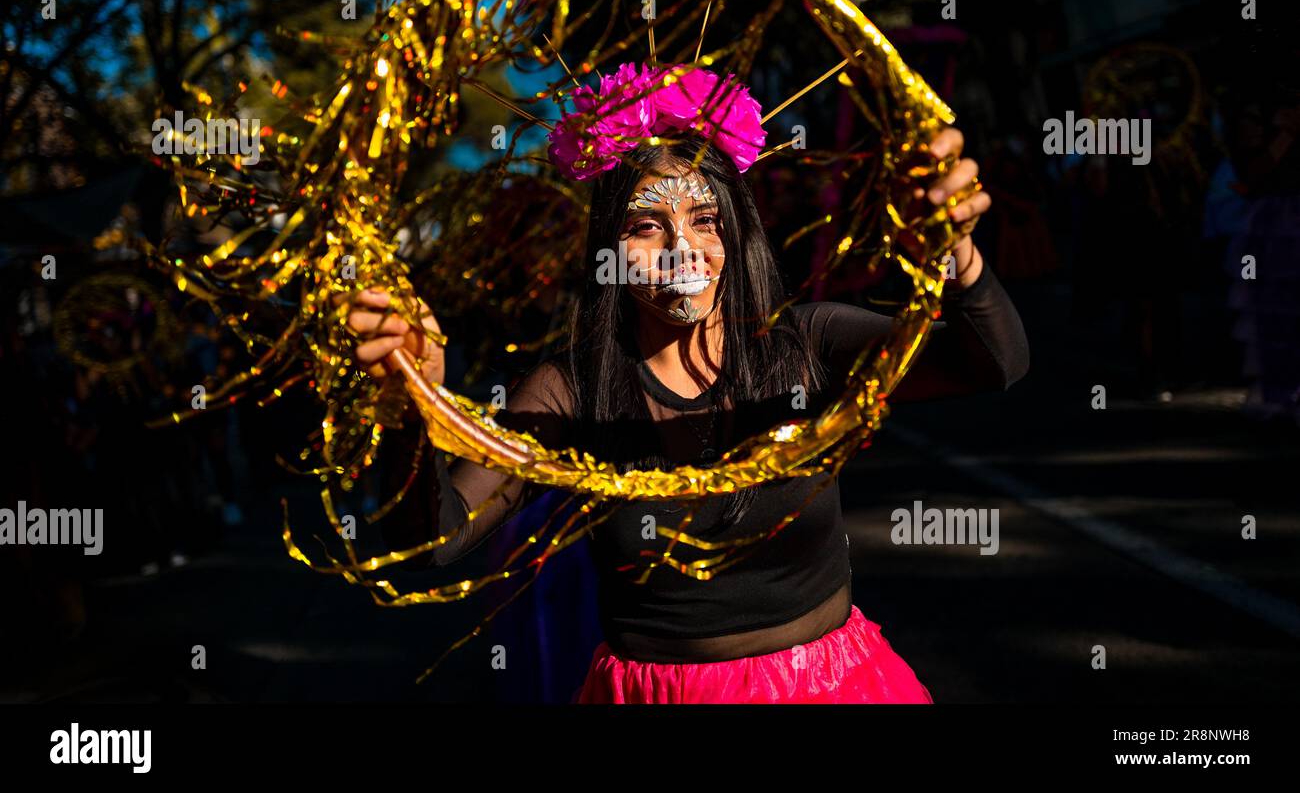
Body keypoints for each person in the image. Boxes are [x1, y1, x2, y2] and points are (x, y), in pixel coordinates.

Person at [343, 63, 1029, 703]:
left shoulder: (805, 344)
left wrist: (956, 249)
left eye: (704, 220)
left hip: (834, 683)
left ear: (735, 232)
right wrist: (407, 409)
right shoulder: (568, 392)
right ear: (608, 249)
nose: (682, 249)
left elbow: (994, 362)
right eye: (647, 225)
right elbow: (436, 541)